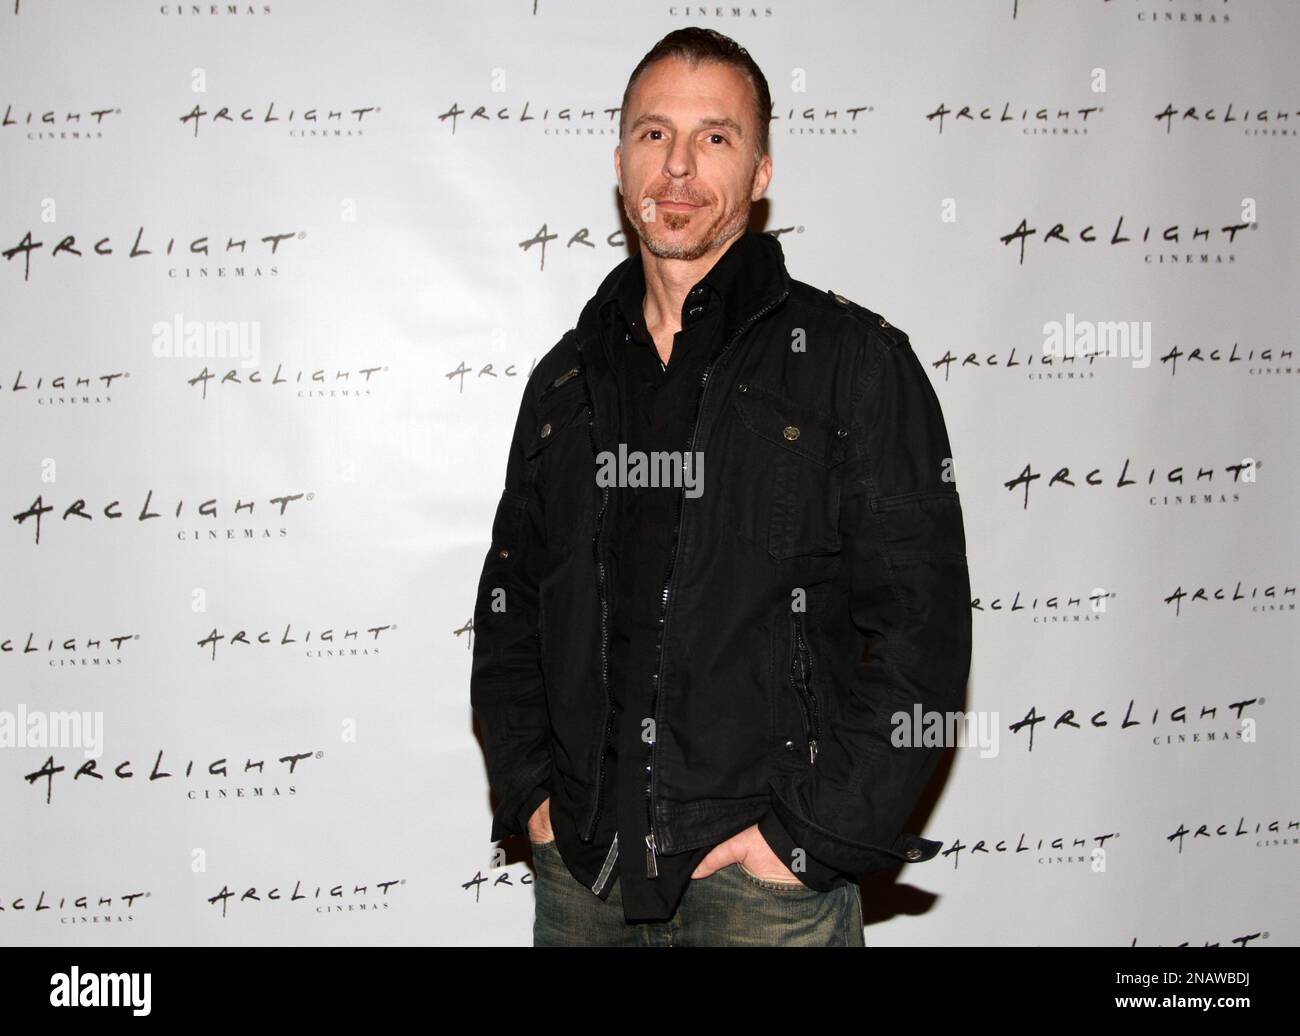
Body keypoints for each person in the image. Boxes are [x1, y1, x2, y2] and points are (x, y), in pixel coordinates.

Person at [470, 27, 972, 947]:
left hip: (764, 891)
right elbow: (509, 612)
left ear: (762, 169)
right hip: (584, 874)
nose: (679, 168)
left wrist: (804, 842)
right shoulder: (564, 382)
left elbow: (920, 636)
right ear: (619, 161)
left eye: (716, 137)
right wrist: (533, 799)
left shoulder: (852, 367)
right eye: (654, 135)